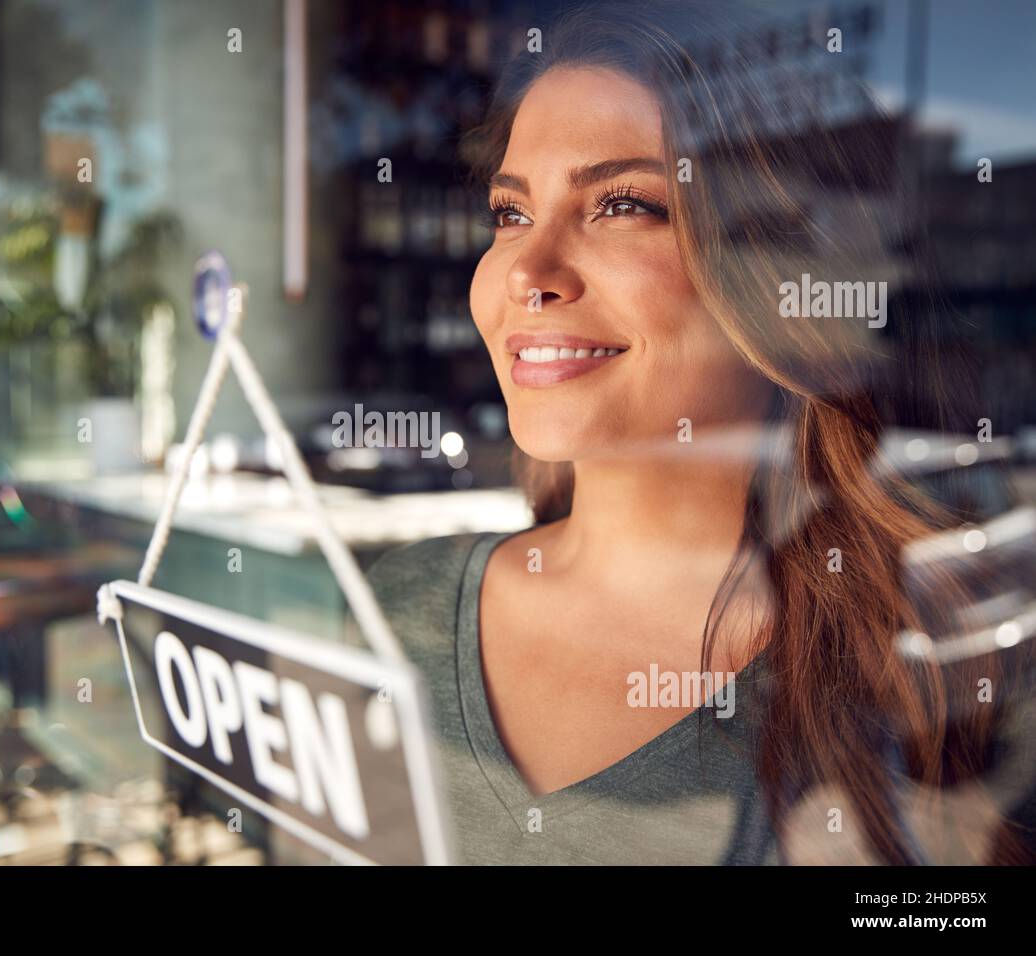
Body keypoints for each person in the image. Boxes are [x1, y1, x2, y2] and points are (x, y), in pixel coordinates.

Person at [367, 0, 1036, 865]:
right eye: (510, 212)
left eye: (622, 205)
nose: (526, 272)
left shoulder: (946, 667)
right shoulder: (400, 612)